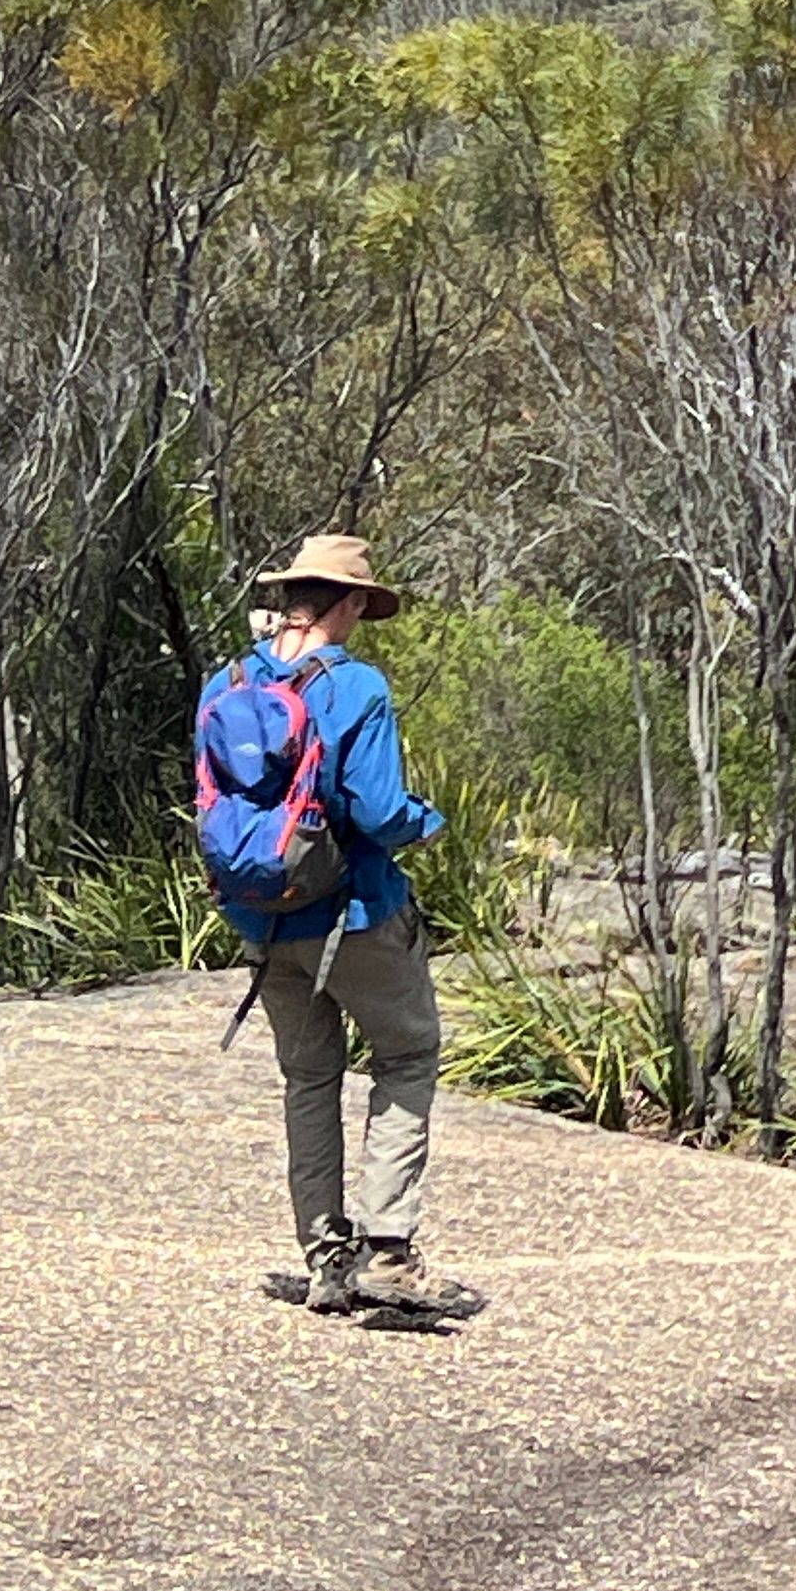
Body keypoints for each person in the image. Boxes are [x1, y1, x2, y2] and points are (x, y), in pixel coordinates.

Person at [210, 534, 452, 1313]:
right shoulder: (357, 689)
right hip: (354, 914)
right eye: (361, 605)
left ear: (288, 599)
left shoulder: (228, 680)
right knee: (407, 1054)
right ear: (347, 603)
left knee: (309, 1078)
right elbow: (378, 811)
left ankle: (326, 1257)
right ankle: (388, 1252)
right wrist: (427, 822)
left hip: (263, 913)